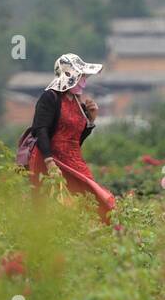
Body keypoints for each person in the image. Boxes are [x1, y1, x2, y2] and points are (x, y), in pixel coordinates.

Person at [28, 53, 116, 223]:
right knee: (52, 205)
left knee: (94, 199)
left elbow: (77, 139)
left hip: (73, 160)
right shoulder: (50, 98)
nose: (84, 80)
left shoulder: (77, 101)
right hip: (51, 160)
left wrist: (91, 119)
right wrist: (49, 161)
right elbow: (41, 130)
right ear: (70, 76)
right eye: (81, 76)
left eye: (84, 76)